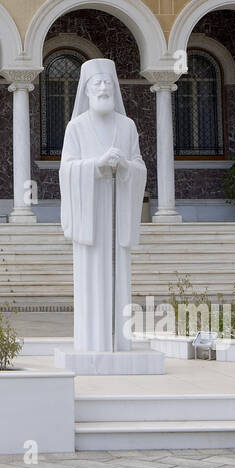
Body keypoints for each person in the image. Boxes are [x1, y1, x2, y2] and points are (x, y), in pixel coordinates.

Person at [58, 58, 147, 354]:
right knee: (91, 278)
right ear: (86, 89)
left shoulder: (127, 126)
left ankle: (119, 343)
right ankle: (91, 341)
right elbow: (66, 169)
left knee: (119, 278)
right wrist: (95, 165)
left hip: (118, 211)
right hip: (90, 214)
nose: (103, 88)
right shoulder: (76, 127)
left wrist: (124, 167)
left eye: (108, 83)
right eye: (97, 83)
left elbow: (139, 167)